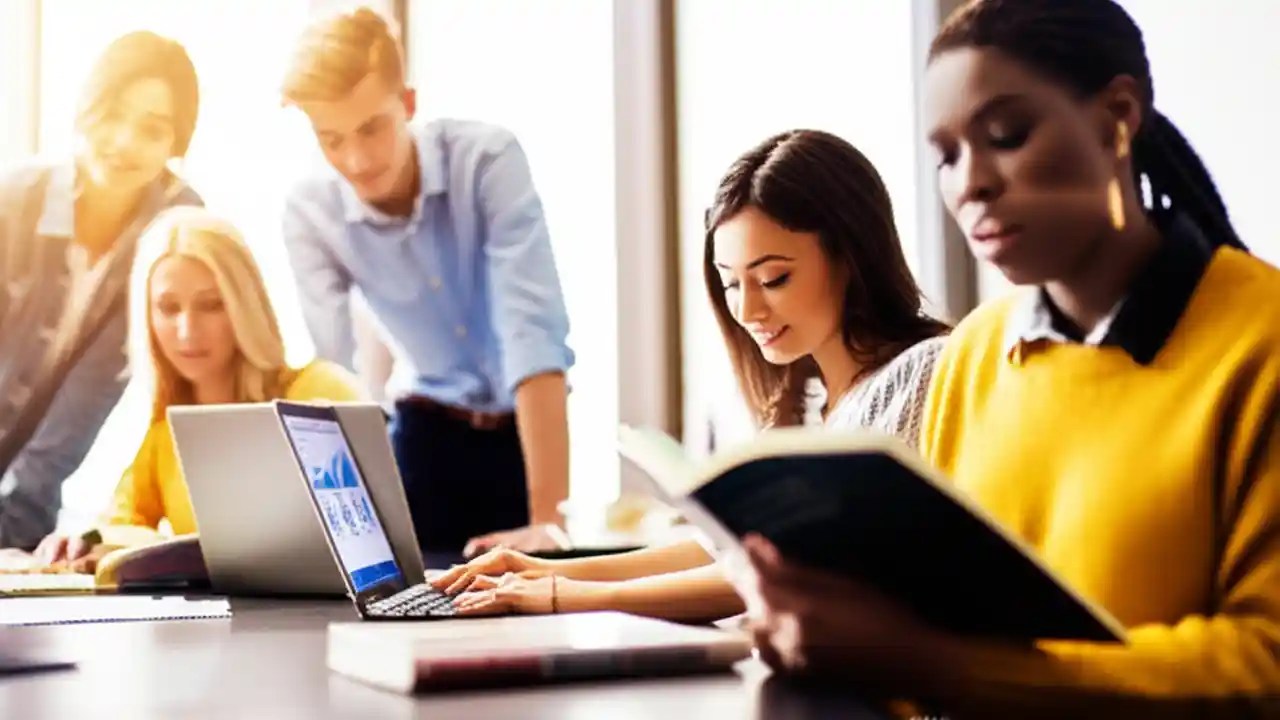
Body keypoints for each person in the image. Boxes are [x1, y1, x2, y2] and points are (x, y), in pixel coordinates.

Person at [738, 0, 1280, 715]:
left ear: (1119, 117)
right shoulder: (972, 354)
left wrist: (933, 664)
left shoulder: (1260, 342)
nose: (971, 183)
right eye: (947, 155)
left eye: (1006, 135)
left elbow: (1264, 664)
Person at [430, 130, 949, 620]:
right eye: (730, 284)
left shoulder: (920, 375)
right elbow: (730, 549)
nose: (747, 311)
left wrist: (569, 594)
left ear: (851, 256)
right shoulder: (811, 402)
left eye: (774, 278)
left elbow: (789, 573)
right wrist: (549, 570)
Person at [278, 7, 574, 559]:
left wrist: (548, 522)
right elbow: (332, 371)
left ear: (408, 104)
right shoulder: (309, 213)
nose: (357, 159)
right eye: (330, 138)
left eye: (372, 127)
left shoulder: (487, 160)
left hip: (521, 437)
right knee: (409, 607)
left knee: (529, 600)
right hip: (423, 435)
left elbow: (531, 331)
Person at [30, 207, 364, 570]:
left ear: (245, 303)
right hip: (232, 622)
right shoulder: (166, 429)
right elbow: (121, 526)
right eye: (168, 308)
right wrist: (84, 542)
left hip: (324, 618)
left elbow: (365, 537)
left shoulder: (320, 393)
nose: (187, 331)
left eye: (211, 305)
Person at [0, 31, 203, 553]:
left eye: (152, 129)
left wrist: (17, 518)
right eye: (112, 115)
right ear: (84, 111)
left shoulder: (174, 228)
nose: (123, 142)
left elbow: (82, 410)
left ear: (174, 143)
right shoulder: (15, 202)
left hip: (27, 508)